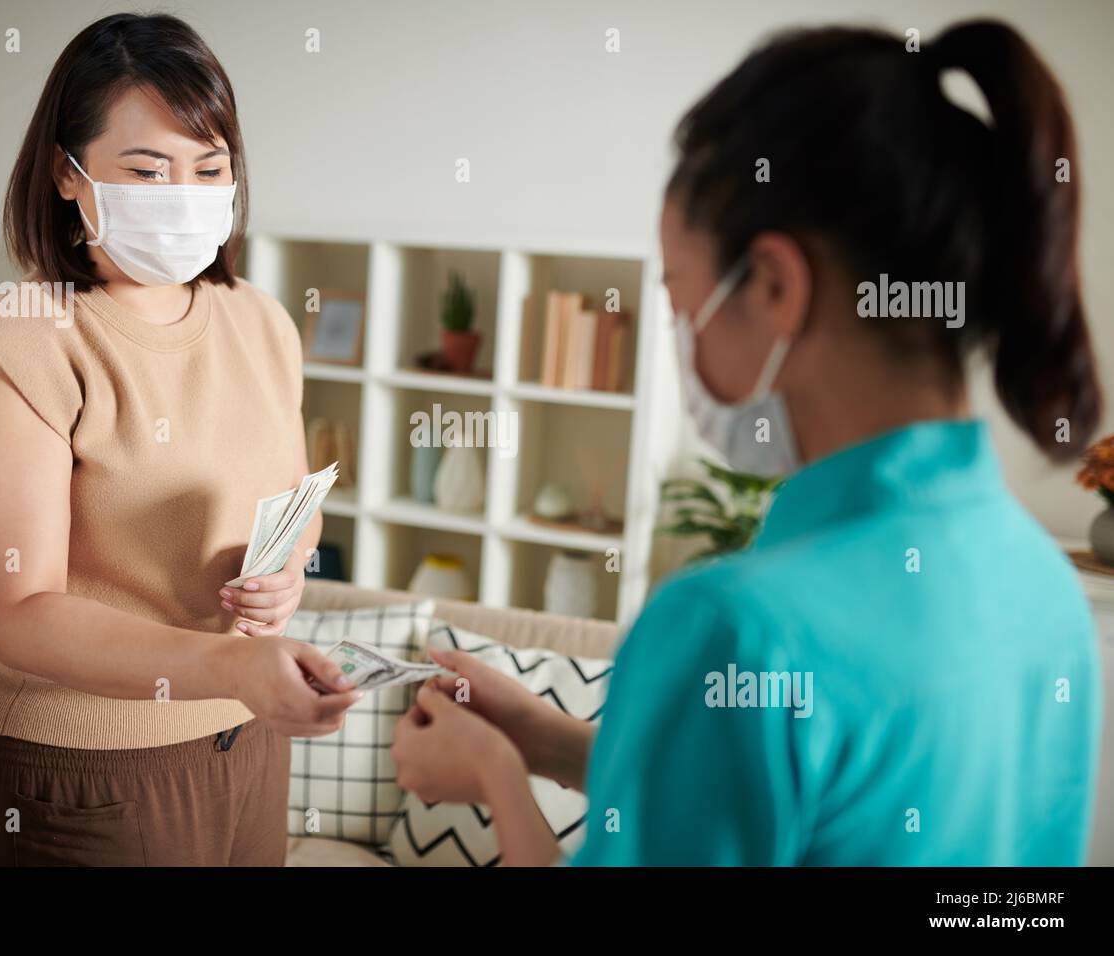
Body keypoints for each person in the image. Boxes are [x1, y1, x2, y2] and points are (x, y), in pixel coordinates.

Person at [391, 19, 1104, 866]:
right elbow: (818, 811)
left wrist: (496, 780)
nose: (684, 339)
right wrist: (547, 743)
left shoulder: (734, 628)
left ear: (772, 286)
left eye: (681, 299)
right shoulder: (1046, 590)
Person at [0, 13, 361, 866]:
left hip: (246, 743)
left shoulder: (262, 323)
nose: (185, 195)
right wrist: (229, 669)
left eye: (209, 168)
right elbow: (19, 615)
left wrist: (285, 574)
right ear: (67, 174)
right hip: (89, 772)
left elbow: (295, 506)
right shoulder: (17, 353)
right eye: (148, 171)